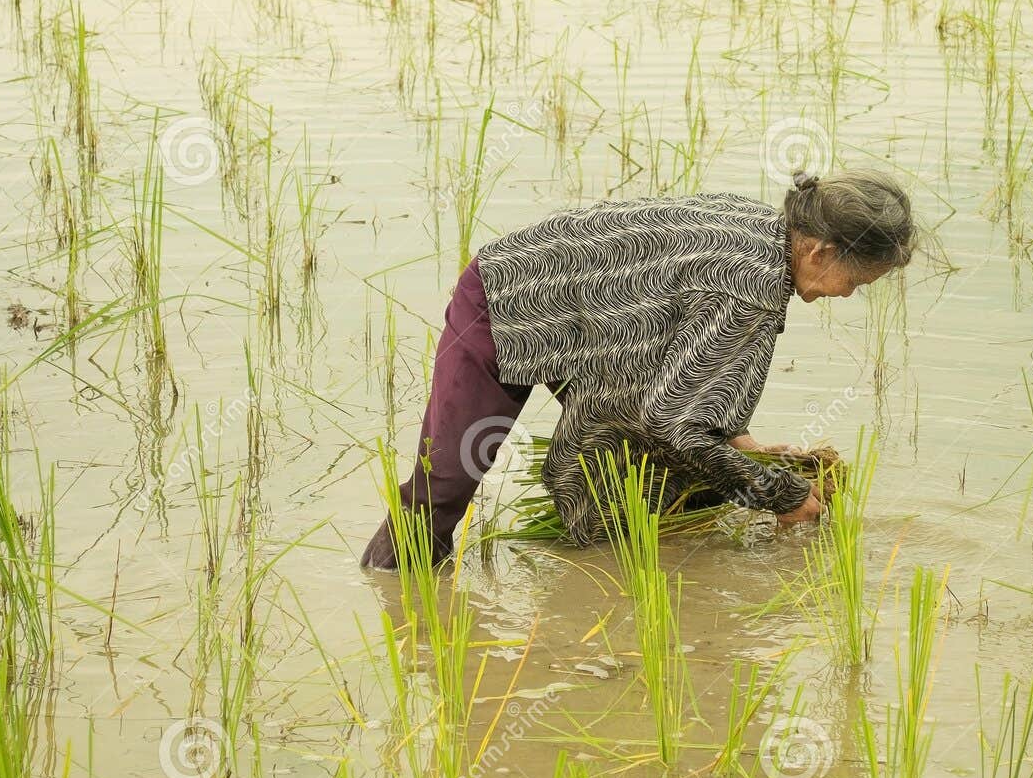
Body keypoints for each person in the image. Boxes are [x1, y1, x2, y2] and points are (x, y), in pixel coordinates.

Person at [360, 169, 917, 569]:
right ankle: (392, 607)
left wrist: (749, 453)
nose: (848, 296)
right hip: (508, 301)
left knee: (647, 480)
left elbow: (690, 377)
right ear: (818, 252)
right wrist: (784, 495)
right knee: (442, 491)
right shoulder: (751, 283)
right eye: (857, 282)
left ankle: (599, 585)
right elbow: (669, 423)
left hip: (594, 328)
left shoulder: (768, 239)